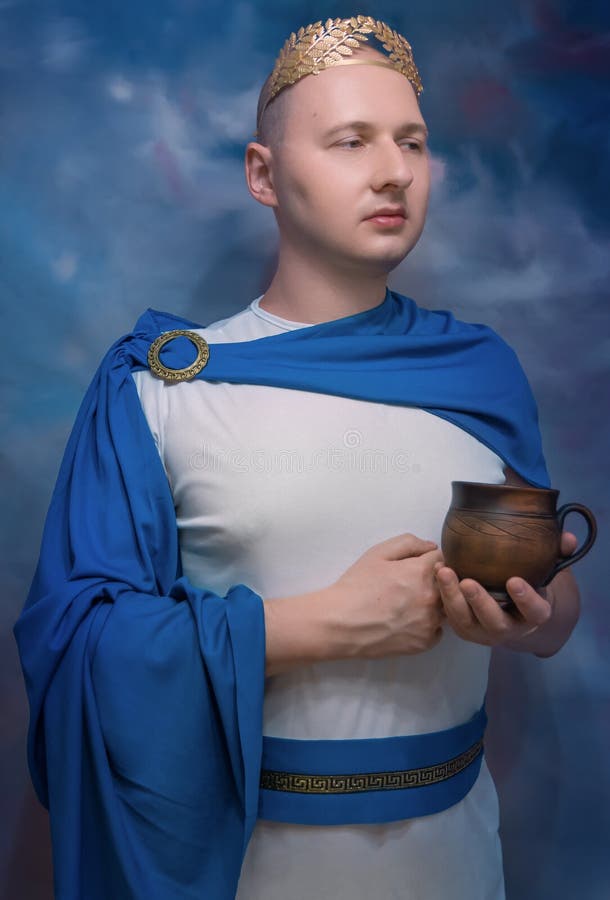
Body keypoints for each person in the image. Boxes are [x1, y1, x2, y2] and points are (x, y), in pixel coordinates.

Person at [14, 14, 581, 900]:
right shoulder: (160, 388)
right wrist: (318, 625)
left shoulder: (480, 371)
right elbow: (75, 648)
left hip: (458, 860)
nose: (393, 170)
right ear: (263, 175)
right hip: (245, 867)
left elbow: (559, 614)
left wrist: (527, 616)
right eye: (350, 141)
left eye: (413, 141)